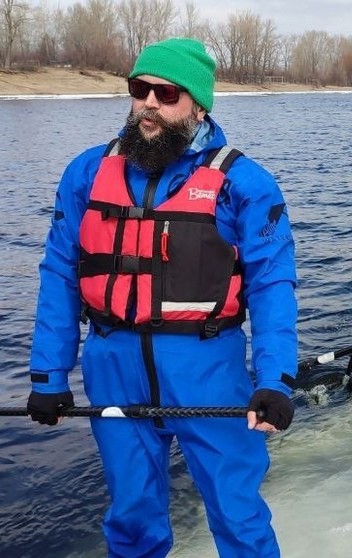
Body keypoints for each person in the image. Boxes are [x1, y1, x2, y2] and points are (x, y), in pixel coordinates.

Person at [25, 38, 298, 558]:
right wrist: (48, 375)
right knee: (131, 517)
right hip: (112, 365)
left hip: (207, 370)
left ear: (198, 106)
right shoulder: (86, 173)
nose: (150, 102)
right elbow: (59, 273)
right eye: (140, 88)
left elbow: (272, 287)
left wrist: (275, 379)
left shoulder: (244, 182)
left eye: (167, 93)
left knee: (238, 514)